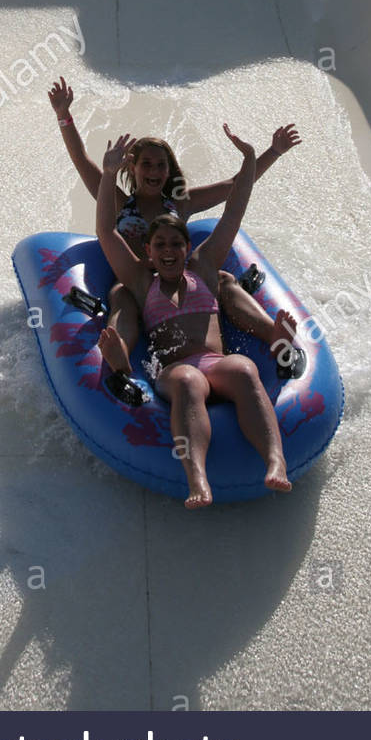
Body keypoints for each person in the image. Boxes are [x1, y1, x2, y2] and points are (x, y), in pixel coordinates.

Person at [47, 77, 304, 375]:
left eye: (161, 165)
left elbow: (235, 187)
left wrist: (274, 151)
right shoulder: (119, 202)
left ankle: (274, 336)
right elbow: (81, 160)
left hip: (181, 283)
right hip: (137, 280)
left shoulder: (181, 203)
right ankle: (120, 356)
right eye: (147, 164)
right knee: (120, 295)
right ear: (133, 168)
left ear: (169, 171)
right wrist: (63, 115)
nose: (154, 171)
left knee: (222, 280)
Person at [96, 131, 293, 507]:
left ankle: (275, 460)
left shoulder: (203, 268)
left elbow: (233, 211)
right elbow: (106, 231)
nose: (169, 252)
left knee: (245, 368)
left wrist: (252, 158)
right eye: (160, 246)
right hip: (174, 368)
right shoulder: (140, 280)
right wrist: (108, 174)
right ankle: (198, 480)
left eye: (176, 244)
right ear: (149, 254)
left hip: (215, 362)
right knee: (188, 381)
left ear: (188, 247)